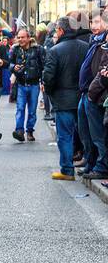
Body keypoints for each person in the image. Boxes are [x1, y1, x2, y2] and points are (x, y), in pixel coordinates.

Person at [42, 14, 90, 181]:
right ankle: (89, 163)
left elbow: (48, 77)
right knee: (85, 134)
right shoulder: (85, 47)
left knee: (65, 136)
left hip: (62, 99)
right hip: (82, 96)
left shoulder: (55, 50)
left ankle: (67, 170)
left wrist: (49, 91)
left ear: (61, 31)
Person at [75, 12, 108, 180]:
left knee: (97, 133)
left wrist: (92, 92)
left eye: (97, 22)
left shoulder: (103, 42)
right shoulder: (94, 41)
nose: (94, 26)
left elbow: (102, 71)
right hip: (87, 92)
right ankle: (91, 162)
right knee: (85, 131)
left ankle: (101, 166)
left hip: (95, 94)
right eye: (92, 22)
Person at [9, 27, 46, 143]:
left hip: (34, 84)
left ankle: (30, 131)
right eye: (18, 37)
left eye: (23, 37)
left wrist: (43, 82)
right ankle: (19, 131)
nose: (20, 39)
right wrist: (13, 67)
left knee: (32, 110)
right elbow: (9, 63)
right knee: (20, 108)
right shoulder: (15, 50)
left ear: (29, 38)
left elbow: (44, 66)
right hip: (20, 84)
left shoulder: (38, 49)